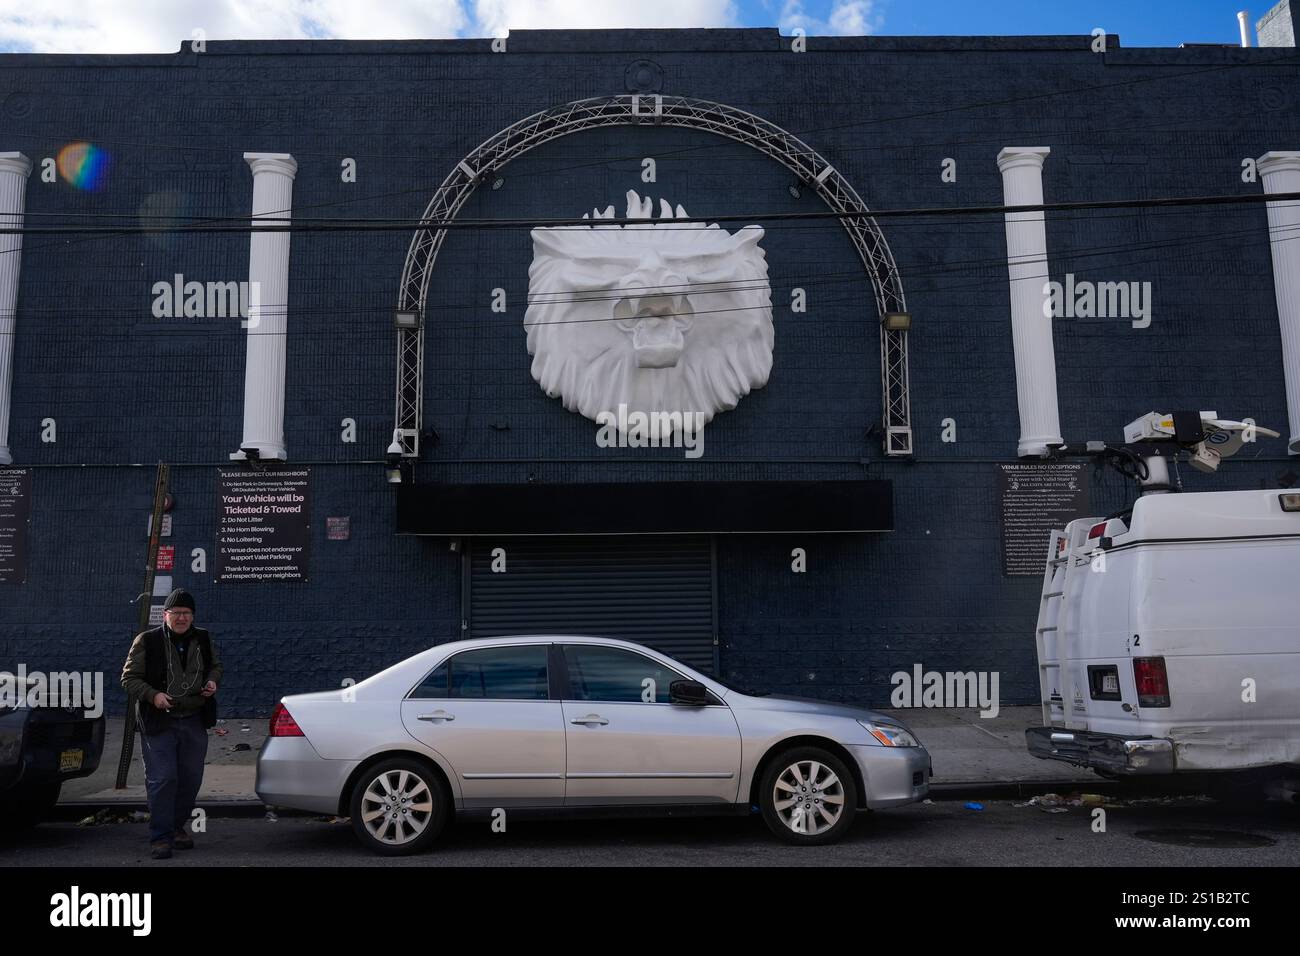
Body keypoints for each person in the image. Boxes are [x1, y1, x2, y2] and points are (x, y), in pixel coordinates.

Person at [120, 588, 221, 860]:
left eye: (186, 613)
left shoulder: (203, 638)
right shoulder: (147, 641)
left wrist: (212, 681)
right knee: (163, 778)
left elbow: (215, 666)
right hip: (159, 721)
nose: (181, 618)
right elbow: (129, 679)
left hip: (194, 719)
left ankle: (177, 828)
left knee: (190, 779)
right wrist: (154, 695)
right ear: (165, 615)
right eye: (176, 613)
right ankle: (160, 836)